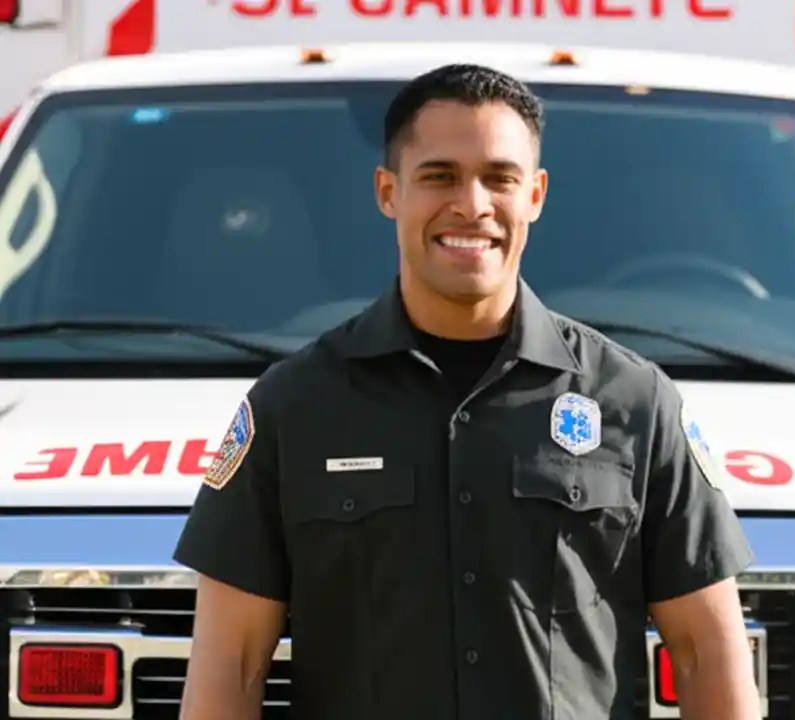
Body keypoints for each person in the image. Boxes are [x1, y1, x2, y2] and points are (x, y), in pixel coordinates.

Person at [173, 63, 761, 719]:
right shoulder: (294, 406)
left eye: (499, 178)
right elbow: (232, 662)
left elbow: (709, 653)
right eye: (440, 176)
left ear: (535, 194)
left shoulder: (634, 401)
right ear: (387, 191)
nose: (472, 204)